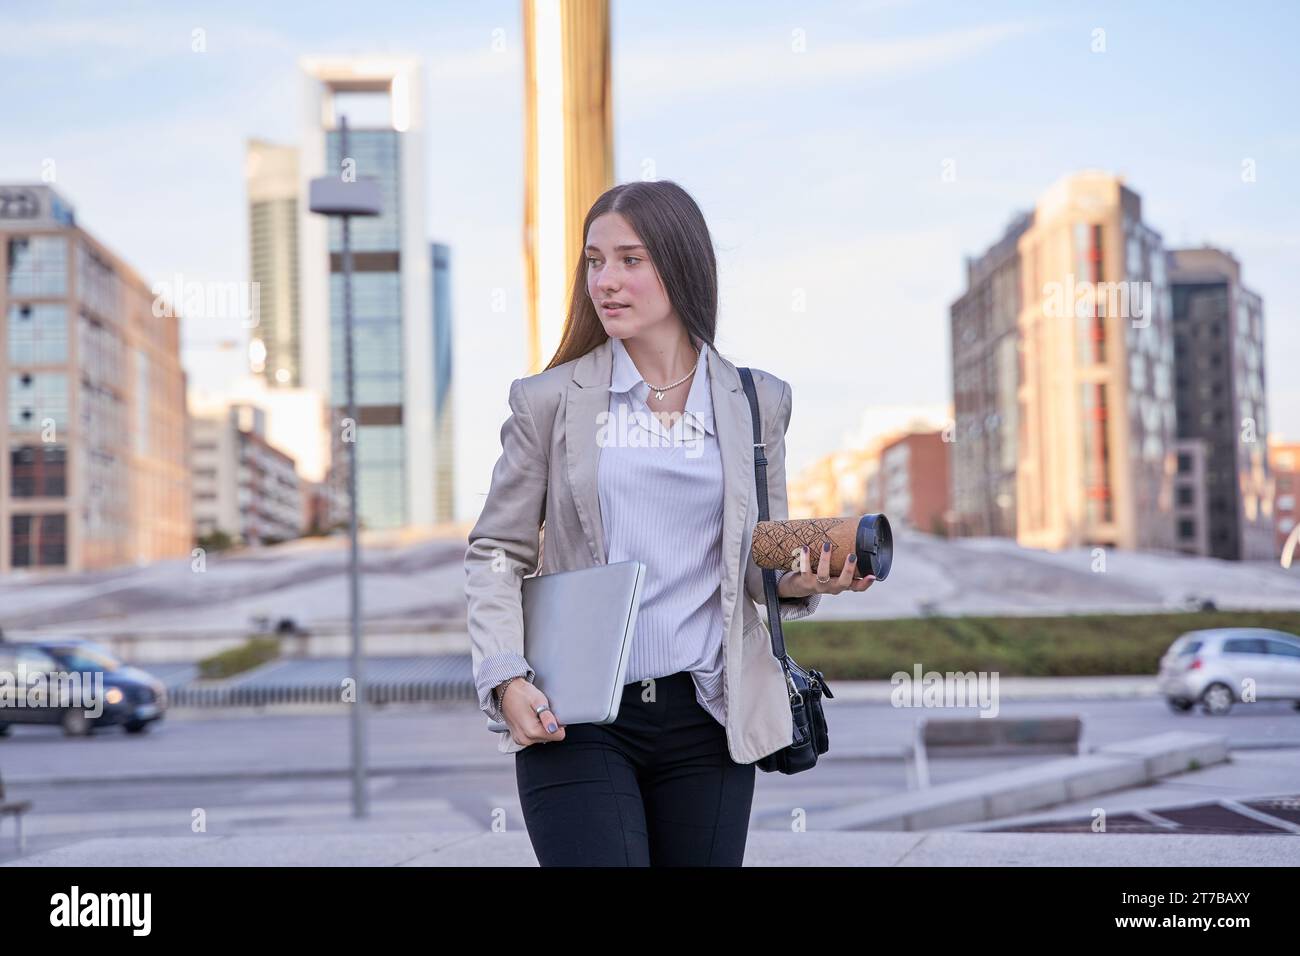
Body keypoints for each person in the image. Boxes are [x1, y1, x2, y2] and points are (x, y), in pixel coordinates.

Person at [464, 180, 876, 867]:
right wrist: (506, 678)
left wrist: (814, 576)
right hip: (578, 714)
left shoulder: (756, 399)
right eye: (595, 262)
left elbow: (752, 558)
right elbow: (495, 552)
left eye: (630, 259)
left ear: (682, 265)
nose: (606, 281)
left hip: (709, 716)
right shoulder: (548, 402)